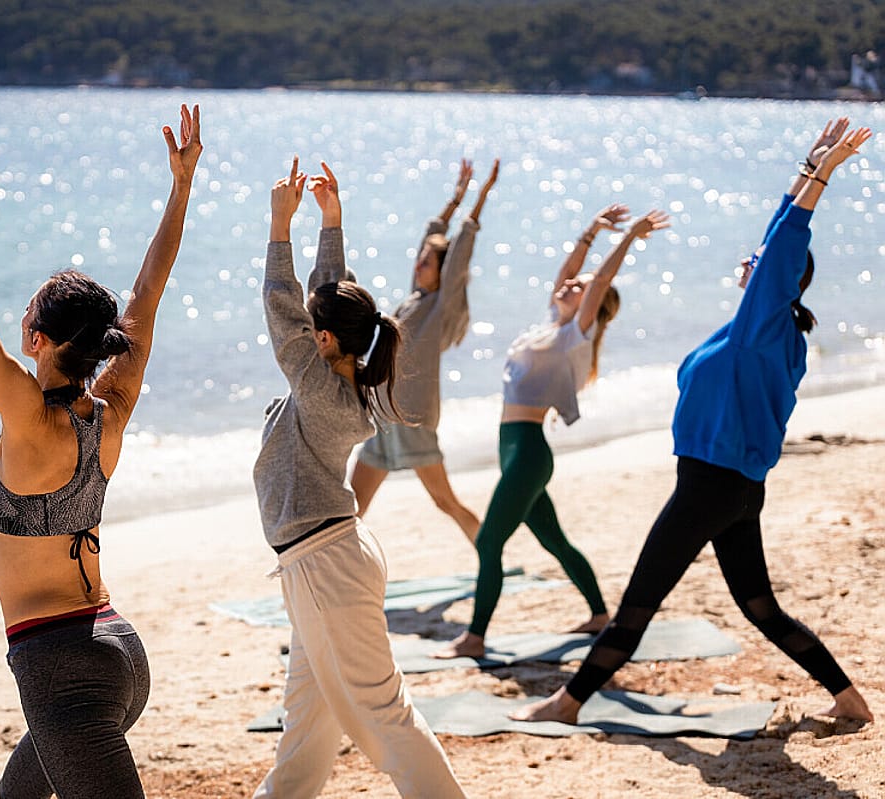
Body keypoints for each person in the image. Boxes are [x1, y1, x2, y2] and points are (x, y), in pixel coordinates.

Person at [510, 119, 875, 725]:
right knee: (760, 605)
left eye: (756, 262)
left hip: (708, 487)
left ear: (776, 281)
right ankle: (849, 699)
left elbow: (785, 239)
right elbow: (776, 238)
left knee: (638, 603)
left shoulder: (765, 323)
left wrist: (820, 175)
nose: (746, 258)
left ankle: (566, 703)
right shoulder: (759, 330)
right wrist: (802, 166)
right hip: (733, 488)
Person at [0, 100, 202, 798]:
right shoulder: (111, 409)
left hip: (63, 669)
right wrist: (182, 186)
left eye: (30, 310)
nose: (19, 318)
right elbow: (148, 291)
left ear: (38, 340)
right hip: (117, 653)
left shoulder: (31, 421)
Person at [252, 157, 466, 799]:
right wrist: (331, 221)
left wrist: (278, 226)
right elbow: (322, 301)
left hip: (325, 565)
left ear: (322, 342)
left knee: (385, 717)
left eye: (313, 335)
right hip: (321, 561)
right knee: (306, 728)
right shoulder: (340, 375)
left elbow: (283, 306)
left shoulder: (320, 390)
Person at [435, 202, 671, 659]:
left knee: (488, 543)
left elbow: (598, 280)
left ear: (592, 307)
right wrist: (591, 230)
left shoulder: (574, 337)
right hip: (516, 451)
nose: (569, 284)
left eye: (579, 288)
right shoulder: (551, 326)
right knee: (556, 542)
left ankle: (475, 637)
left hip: (527, 453)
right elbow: (572, 271)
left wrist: (628, 237)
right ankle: (601, 615)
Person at [351, 158, 499, 544]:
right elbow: (432, 234)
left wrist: (479, 200)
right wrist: (455, 199)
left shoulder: (440, 305)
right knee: (352, 507)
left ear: (442, 271)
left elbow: (460, 252)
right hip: (381, 416)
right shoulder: (414, 299)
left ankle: (490, 554)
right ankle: (337, 576)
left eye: (428, 262)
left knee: (444, 502)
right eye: (420, 259)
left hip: (412, 419)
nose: (418, 264)